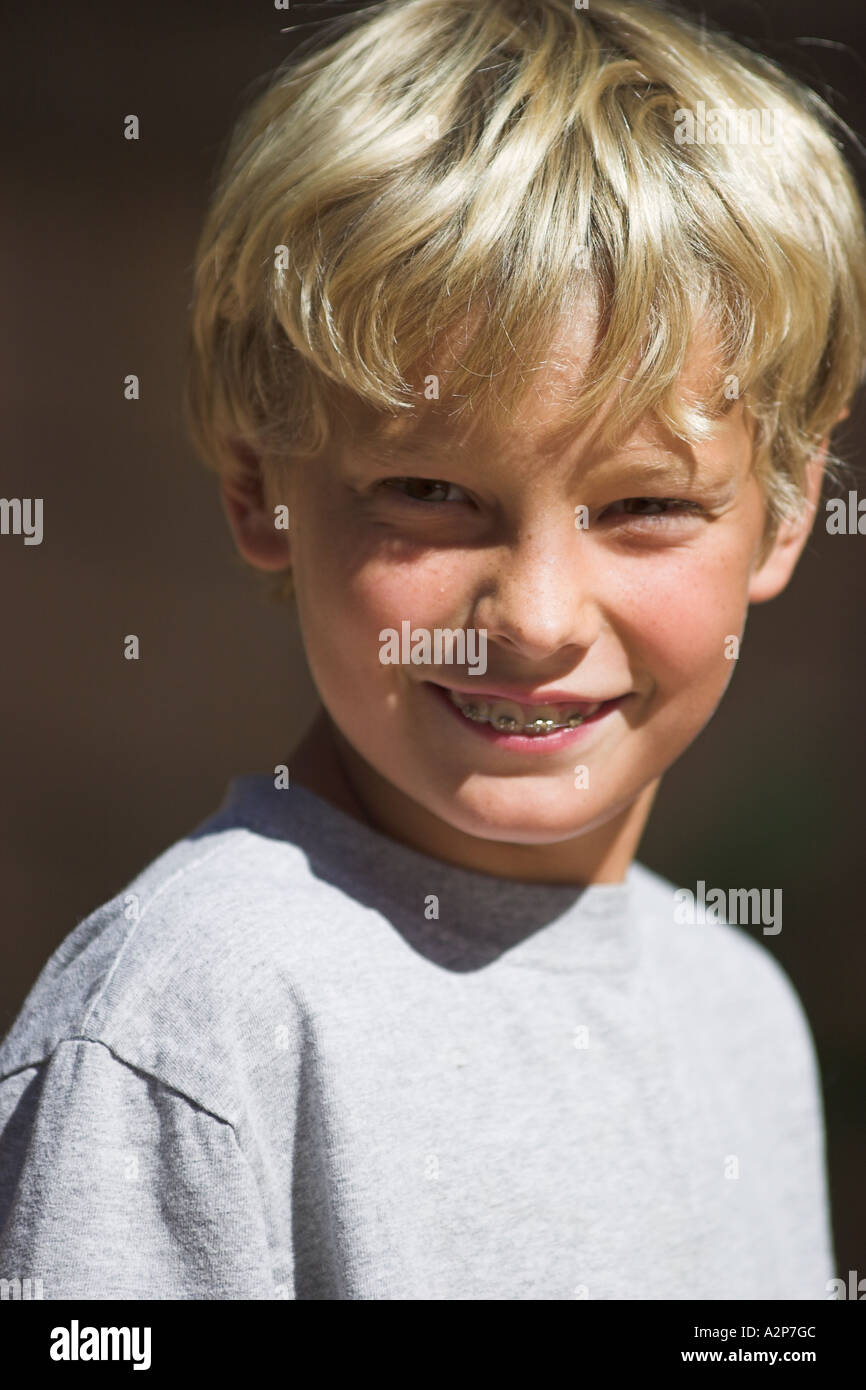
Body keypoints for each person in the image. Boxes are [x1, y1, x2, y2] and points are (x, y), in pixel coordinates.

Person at [2, 0, 864, 1299]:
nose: (533, 614)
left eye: (642, 506)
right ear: (258, 488)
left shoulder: (741, 1016)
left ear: (789, 504)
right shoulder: (189, 1024)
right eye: (429, 492)